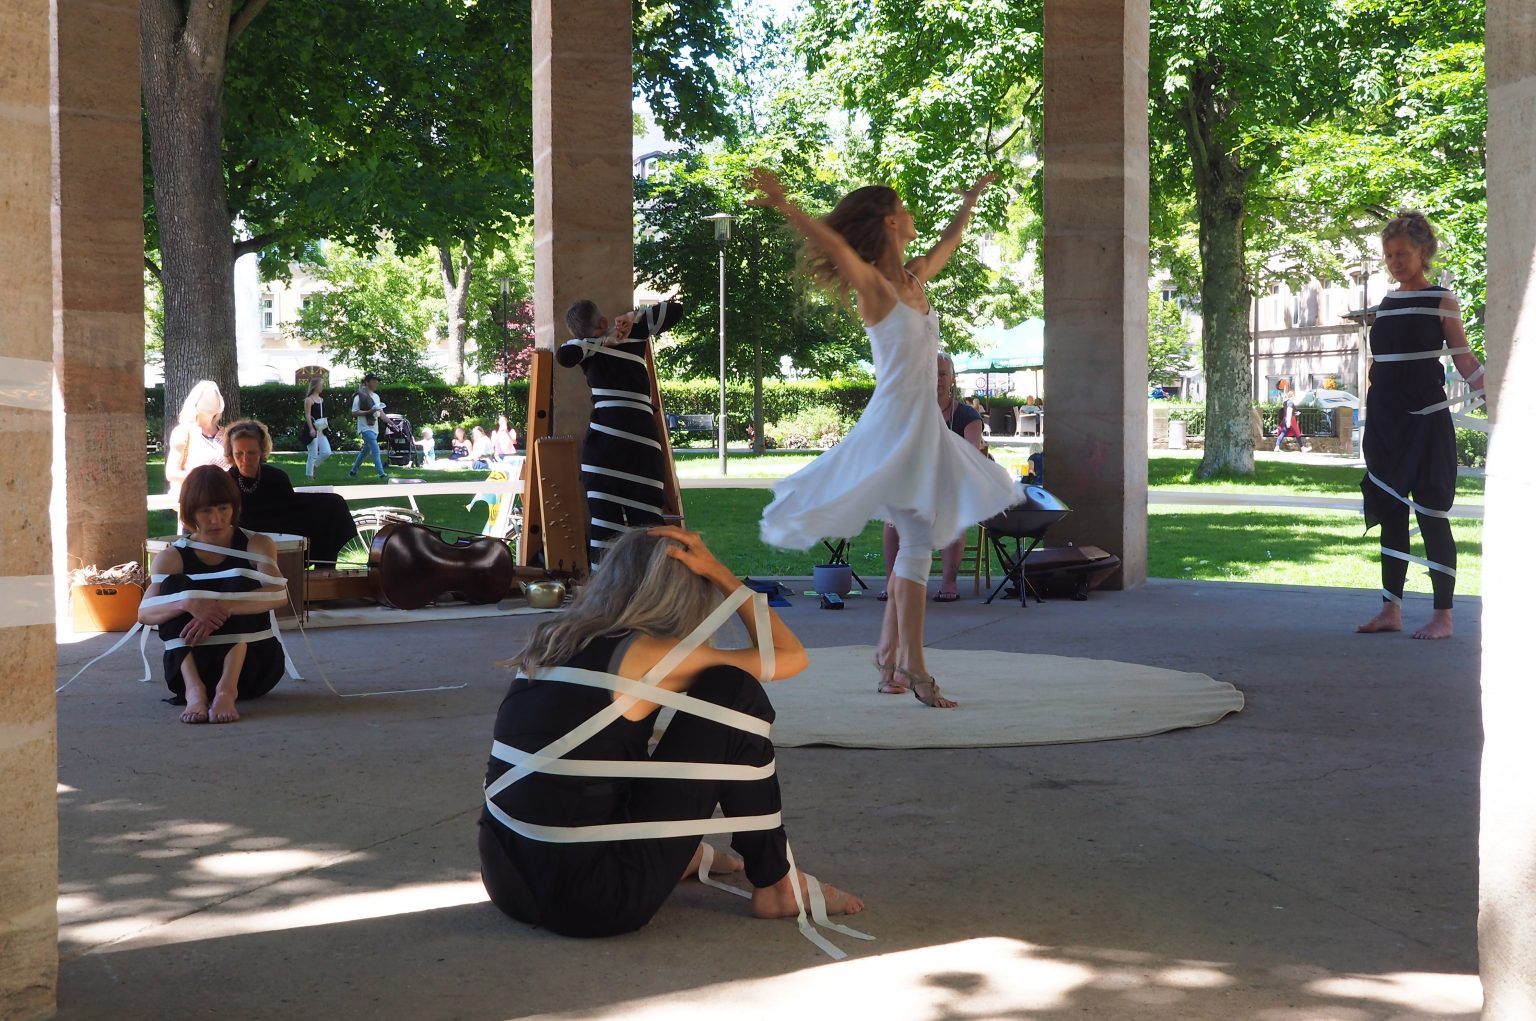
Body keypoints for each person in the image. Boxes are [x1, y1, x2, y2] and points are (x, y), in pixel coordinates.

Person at [478, 526, 864, 945]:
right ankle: (776, 885)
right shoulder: (652, 653)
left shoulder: (554, 638)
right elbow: (790, 656)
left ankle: (679, 855)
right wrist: (721, 574)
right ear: (685, 595)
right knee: (733, 691)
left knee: (604, 746)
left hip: (505, 878)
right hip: (593, 900)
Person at [747, 169, 1017, 708]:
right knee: (916, 542)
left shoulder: (915, 278)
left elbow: (951, 241)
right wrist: (784, 203)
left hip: (923, 427)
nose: (913, 215)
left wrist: (970, 200)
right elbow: (833, 244)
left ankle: (890, 657)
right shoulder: (875, 286)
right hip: (896, 428)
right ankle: (911, 666)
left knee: (918, 541)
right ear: (890, 222)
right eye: (904, 207)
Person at [1356, 210, 1485, 641]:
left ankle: (1443, 617)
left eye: (1403, 254)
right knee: (1391, 511)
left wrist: (1496, 390)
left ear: (1423, 252)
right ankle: (1390, 610)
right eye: (1389, 255)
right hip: (1385, 422)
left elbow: (1464, 359)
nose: (1395, 262)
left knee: (1431, 514)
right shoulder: (1386, 304)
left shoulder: (1442, 299)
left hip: (1426, 423)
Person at [137, 464, 290, 723]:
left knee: (239, 582)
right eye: (206, 510)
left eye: (223, 508)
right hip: (193, 667)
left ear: (234, 507)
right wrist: (187, 603)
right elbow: (144, 613)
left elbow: (279, 595)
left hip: (252, 669)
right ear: (190, 512)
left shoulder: (257, 544)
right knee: (174, 589)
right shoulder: (172, 557)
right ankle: (194, 691)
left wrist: (224, 606)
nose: (216, 519)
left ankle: (226, 690)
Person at [558, 296, 685, 565]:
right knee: (646, 528)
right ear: (603, 321)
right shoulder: (598, 345)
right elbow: (565, 355)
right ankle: (650, 585)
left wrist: (629, 318)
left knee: (609, 532)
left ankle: (604, 587)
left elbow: (565, 354)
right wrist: (610, 335)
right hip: (639, 449)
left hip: (605, 449)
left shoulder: (609, 341)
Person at [879, 351, 985, 605]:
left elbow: (971, 454)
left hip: (951, 484)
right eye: (931, 373)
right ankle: (892, 580)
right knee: (894, 514)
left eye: (942, 374)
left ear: (952, 378)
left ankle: (949, 582)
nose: (937, 379)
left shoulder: (967, 416)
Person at [225, 420, 359, 565]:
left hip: (279, 544)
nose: (245, 459)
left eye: (251, 453)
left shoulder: (276, 478)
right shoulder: (225, 482)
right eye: (239, 453)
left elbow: (292, 515)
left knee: (333, 503)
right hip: (241, 550)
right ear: (231, 453)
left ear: (261, 451)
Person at [164, 380, 229, 499]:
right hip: (194, 499)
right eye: (206, 396)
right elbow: (171, 473)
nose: (211, 400)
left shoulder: (227, 434)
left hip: (223, 499)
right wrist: (206, 479)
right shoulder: (183, 432)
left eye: (215, 396)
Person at [349, 373, 389, 479]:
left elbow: (381, 413)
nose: (376, 383)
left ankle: (353, 472)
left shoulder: (376, 396)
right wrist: (369, 411)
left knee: (365, 452)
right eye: (373, 381)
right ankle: (382, 474)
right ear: (367, 382)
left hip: (374, 429)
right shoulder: (359, 396)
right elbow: (354, 412)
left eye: (377, 381)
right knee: (376, 449)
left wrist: (392, 423)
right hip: (365, 428)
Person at [302, 377, 332, 479]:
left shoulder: (321, 400)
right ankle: (310, 475)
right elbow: (307, 416)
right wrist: (311, 429)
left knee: (326, 452)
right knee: (313, 453)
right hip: (312, 429)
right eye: (321, 385)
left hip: (321, 429)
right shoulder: (309, 400)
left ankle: (313, 466)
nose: (322, 387)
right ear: (315, 386)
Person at [1273, 386, 1309, 453]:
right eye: (1294, 396)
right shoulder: (1290, 402)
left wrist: (1294, 414)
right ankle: (1303, 448)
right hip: (1291, 419)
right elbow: (1289, 411)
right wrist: (1289, 421)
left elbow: (1287, 411)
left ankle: (1277, 447)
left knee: (1283, 433)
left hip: (1286, 418)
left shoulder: (1285, 402)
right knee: (1297, 433)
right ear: (1293, 396)